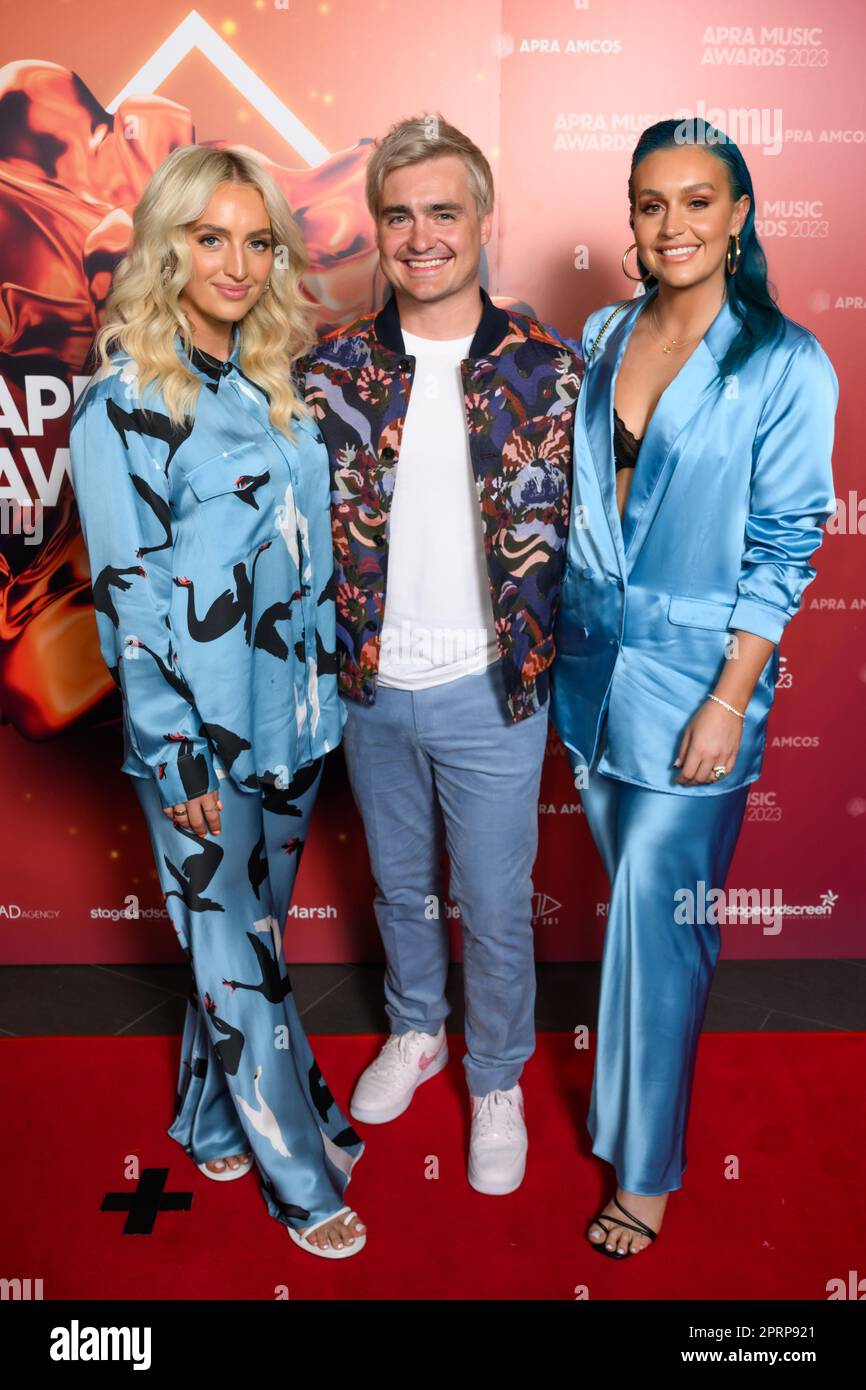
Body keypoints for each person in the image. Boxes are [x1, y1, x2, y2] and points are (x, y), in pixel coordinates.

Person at [69, 144, 367, 1259]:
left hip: (293, 716)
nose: (237, 262)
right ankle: (301, 1174)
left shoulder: (270, 382)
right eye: (210, 238)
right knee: (239, 947)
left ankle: (205, 1116)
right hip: (198, 734)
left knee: (242, 937)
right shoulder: (124, 403)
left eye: (256, 240)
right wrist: (176, 750)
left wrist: (320, 698)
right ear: (168, 246)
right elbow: (128, 597)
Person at [551, 117, 838, 1257]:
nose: (671, 224)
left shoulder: (782, 361)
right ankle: (631, 1121)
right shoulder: (600, 331)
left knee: (661, 923)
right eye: (648, 202)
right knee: (631, 916)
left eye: (695, 201)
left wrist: (727, 698)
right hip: (587, 678)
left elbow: (781, 547)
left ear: (737, 215)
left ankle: (648, 1168)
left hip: (695, 689)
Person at [299, 114, 582, 1195]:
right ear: (377, 227)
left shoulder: (546, 369)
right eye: (398, 214)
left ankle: (496, 1075)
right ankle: (417, 1027)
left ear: (480, 219)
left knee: (496, 901)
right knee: (400, 885)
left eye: (442, 212)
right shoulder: (328, 370)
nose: (420, 235)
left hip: (492, 689)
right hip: (370, 688)